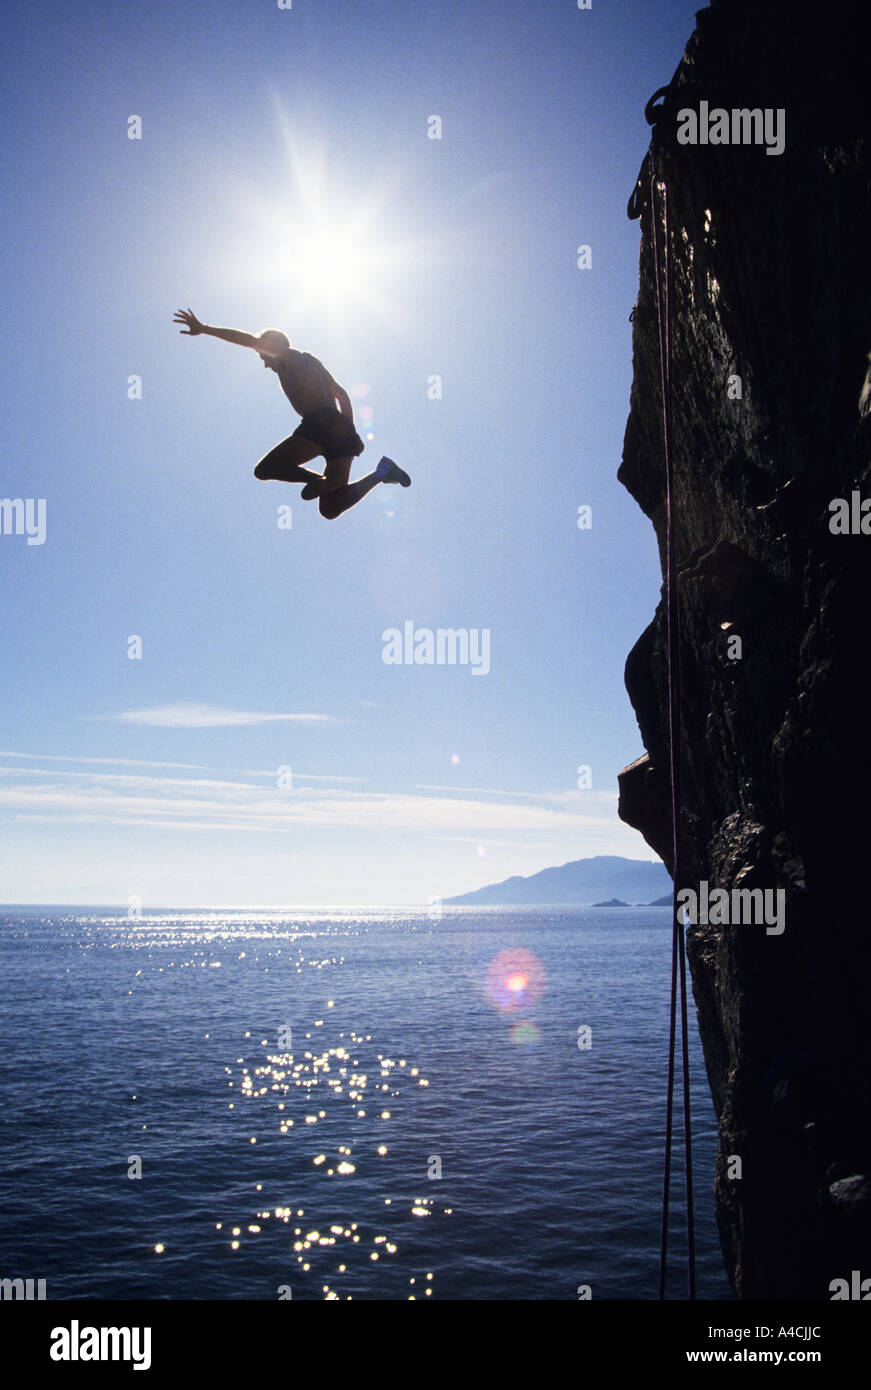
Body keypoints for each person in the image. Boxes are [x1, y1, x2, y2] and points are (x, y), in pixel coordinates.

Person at [173, 309, 410, 519]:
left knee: (265, 469)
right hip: (340, 429)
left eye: (263, 355)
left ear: (273, 346)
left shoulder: (287, 356)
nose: (265, 363)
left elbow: (247, 340)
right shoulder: (312, 362)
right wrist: (350, 432)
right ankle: (382, 473)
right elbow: (342, 394)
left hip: (320, 423)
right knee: (330, 508)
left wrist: (204, 329)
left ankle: (319, 480)